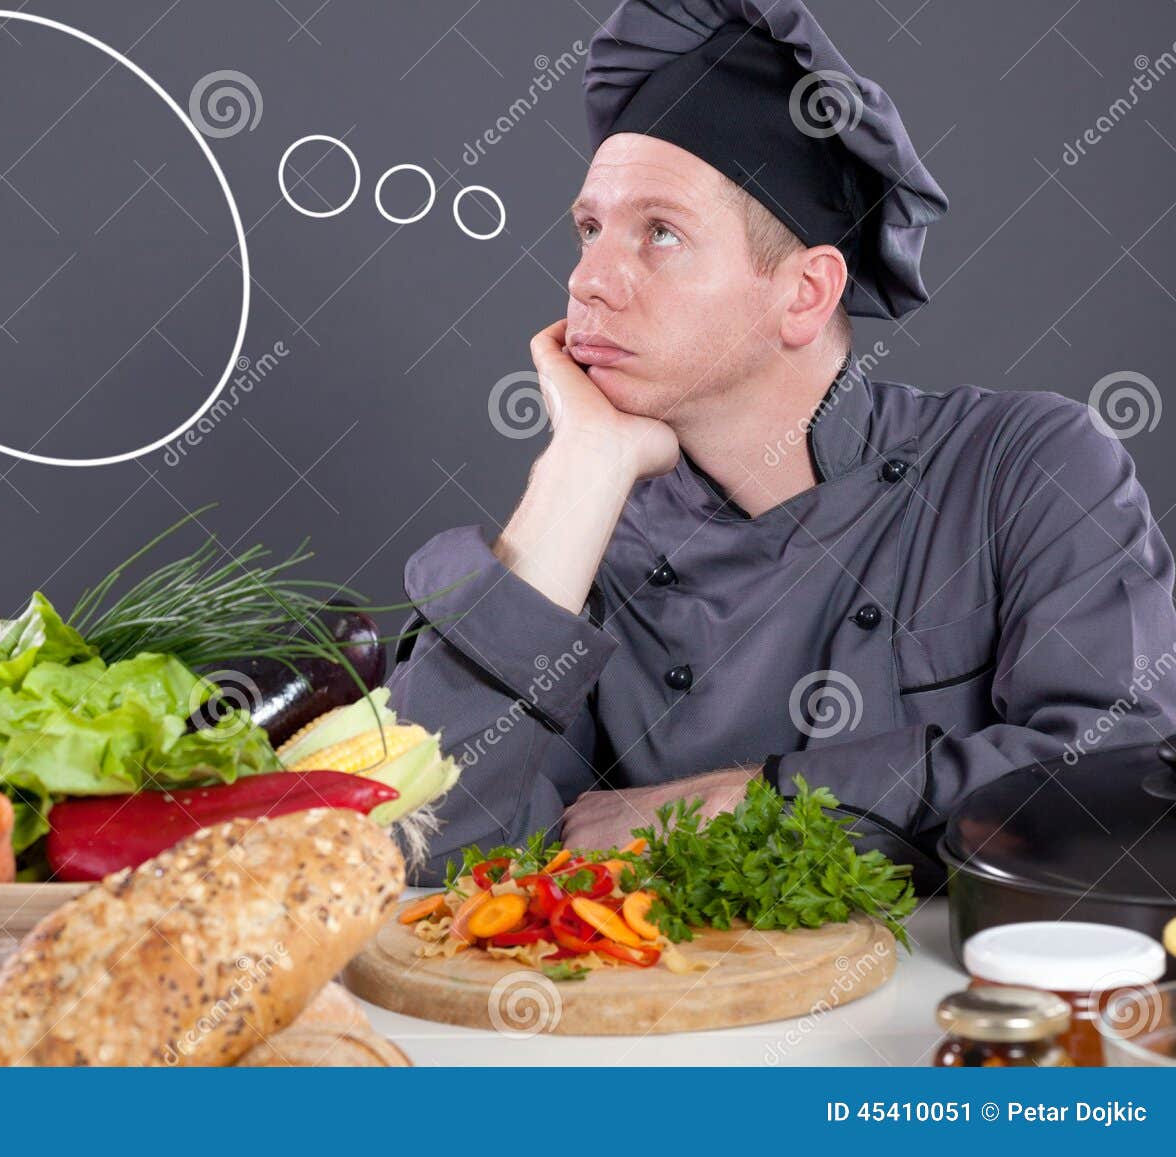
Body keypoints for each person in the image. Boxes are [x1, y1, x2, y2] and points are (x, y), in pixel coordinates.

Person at [388, 0, 1176, 885]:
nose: (588, 280)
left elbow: (1112, 783)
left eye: (660, 233)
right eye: (590, 228)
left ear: (804, 293)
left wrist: (746, 798)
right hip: (677, 1015)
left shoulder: (1025, 467)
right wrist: (581, 465)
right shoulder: (585, 545)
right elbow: (426, 846)